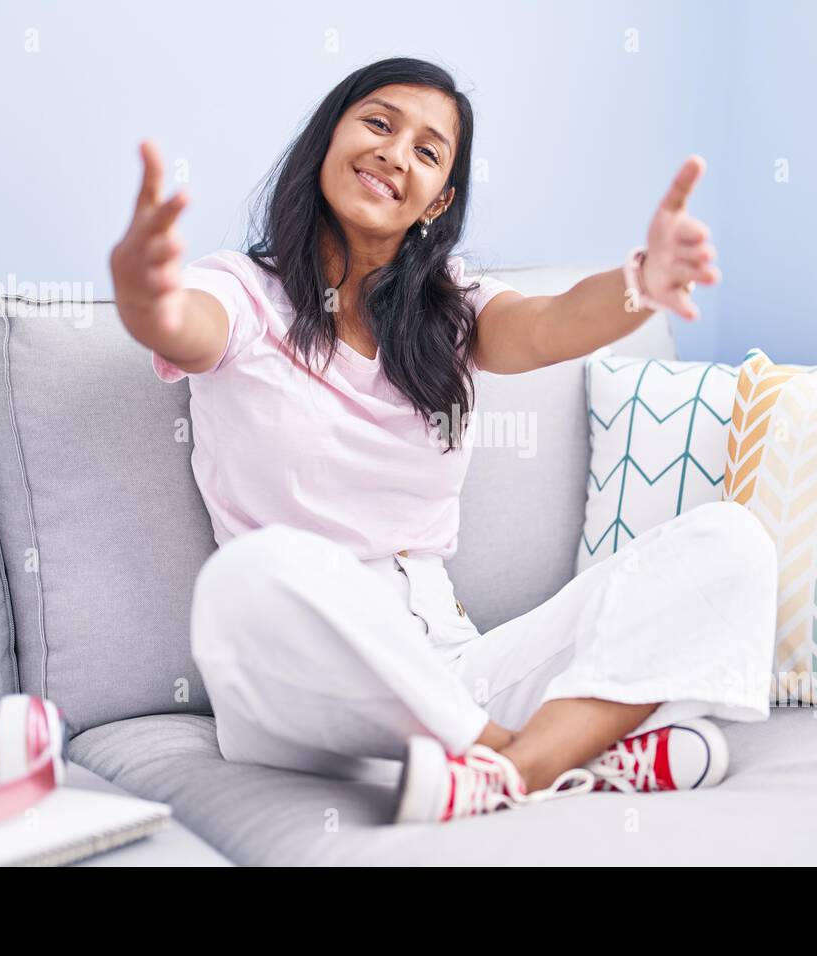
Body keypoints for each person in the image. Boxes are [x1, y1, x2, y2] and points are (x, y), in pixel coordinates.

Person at [108, 56, 776, 825]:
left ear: (440, 199)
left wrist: (641, 283)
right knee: (250, 574)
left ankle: (504, 770)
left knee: (734, 543)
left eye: (428, 151)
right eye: (380, 123)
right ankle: (545, 753)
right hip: (307, 686)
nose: (397, 153)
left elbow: (553, 324)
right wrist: (140, 291)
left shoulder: (451, 310)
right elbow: (181, 326)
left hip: (453, 664)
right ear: (329, 137)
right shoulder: (243, 292)